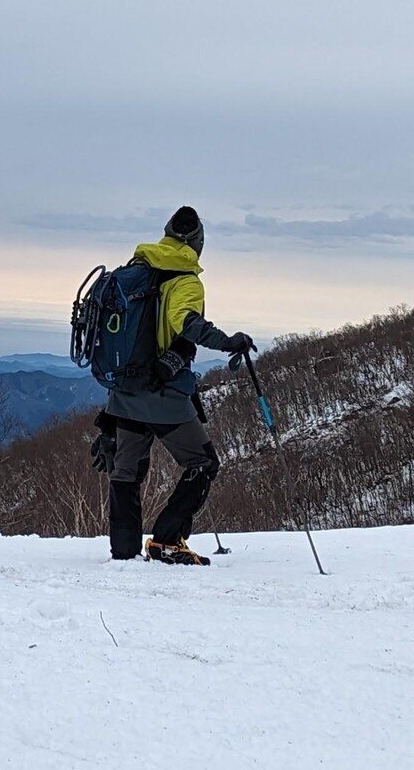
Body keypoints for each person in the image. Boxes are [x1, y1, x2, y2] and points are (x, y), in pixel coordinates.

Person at [90, 206, 254, 565]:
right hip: (162, 396)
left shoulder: (136, 270)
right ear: (198, 244)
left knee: (126, 471)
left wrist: (108, 417)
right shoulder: (185, 280)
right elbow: (186, 323)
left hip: (123, 395)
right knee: (202, 463)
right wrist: (230, 341)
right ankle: (166, 540)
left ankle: (124, 554)